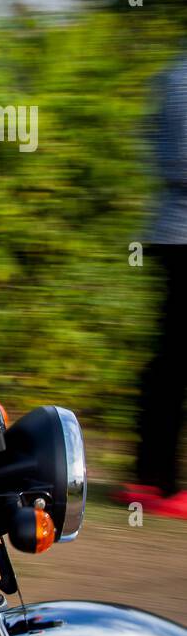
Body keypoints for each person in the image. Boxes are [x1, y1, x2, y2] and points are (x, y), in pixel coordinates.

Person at [117, 52, 187, 519]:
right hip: (181, 232)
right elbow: (178, 160)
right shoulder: (179, 78)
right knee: (173, 360)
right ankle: (155, 481)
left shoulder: (170, 74)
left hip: (172, 230)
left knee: (171, 359)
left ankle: (153, 477)